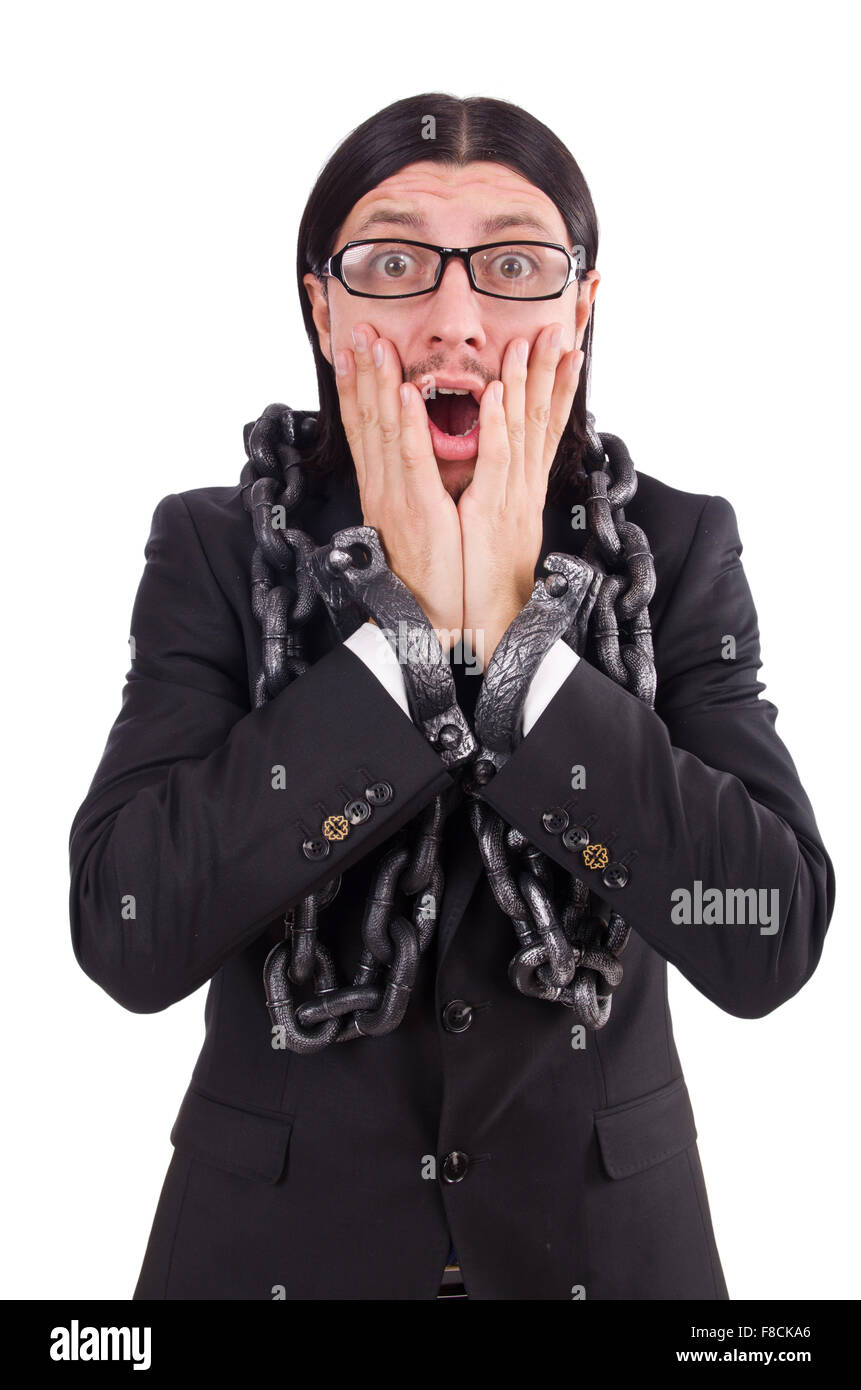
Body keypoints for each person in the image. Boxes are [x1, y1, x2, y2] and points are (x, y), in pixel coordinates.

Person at [68, 92, 835, 1301]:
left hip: (605, 1262)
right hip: (269, 1263)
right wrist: (407, 642)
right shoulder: (217, 550)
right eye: (393, 261)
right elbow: (127, 926)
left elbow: (763, 928)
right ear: (323, 303)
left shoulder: (677, 549)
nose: (454, 319)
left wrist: (514, 646)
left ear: (583, 305)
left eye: (515, 264)